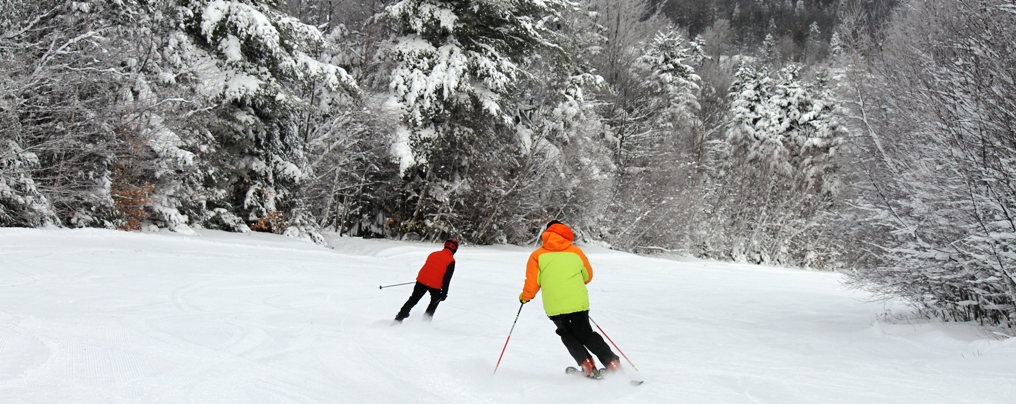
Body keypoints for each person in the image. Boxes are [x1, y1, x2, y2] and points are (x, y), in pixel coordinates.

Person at [519, 221, 620, 377]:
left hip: (554, 304)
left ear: (547, 234)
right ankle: (612, 363)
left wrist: (525, 297)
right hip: (578, 301)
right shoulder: (576, 252)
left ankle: (586, 364)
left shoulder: (537, 255)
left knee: (566, 333)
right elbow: (587, 276)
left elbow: (532, 282)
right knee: (586, 333)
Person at [394, 238, 458, 323]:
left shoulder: (433, 254)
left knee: (413, 299)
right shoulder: (451, 261)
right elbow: (447, 279)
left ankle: (399, 317)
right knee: (434, 302)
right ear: (455, 250)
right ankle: (425, 323)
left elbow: (429, 269)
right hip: (435, 285)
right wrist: (444, 293)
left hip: (421, 280)